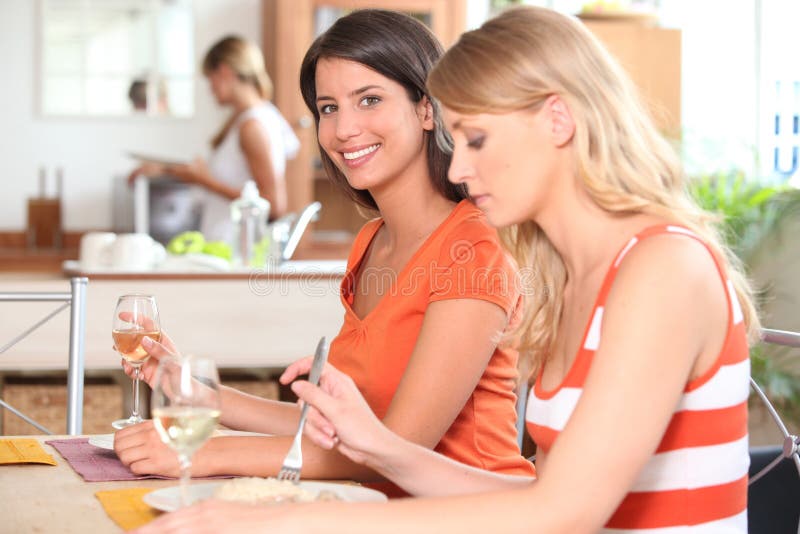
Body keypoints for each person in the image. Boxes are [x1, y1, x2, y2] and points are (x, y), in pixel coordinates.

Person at [137, 6, 760, 534]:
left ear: (559, 120)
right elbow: (534, 495)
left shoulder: (662, 268)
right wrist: (374, 443)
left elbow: (561, 512)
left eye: (478, 140)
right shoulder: (575, 280)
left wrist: (270, 519)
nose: (457, 169)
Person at [115, 9, 534, 495]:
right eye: (329, 108)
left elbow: (394, 449)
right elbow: (335, 431)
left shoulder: (472, 249)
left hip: (472, 518)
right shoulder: (372, 241)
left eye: (369, 100)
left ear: (426, 109)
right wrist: (196, 393)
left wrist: (201, 452)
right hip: (371, 508)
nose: (343, 129)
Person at [128, 35, 300, 241]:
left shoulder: (252, 127)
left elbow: (274, 204)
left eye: (210, 78)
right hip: (225, 245)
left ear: (225, 71)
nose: (210, 89)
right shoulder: (247, 119)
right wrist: (165, 170)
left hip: (237, 249)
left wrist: (204, 181)